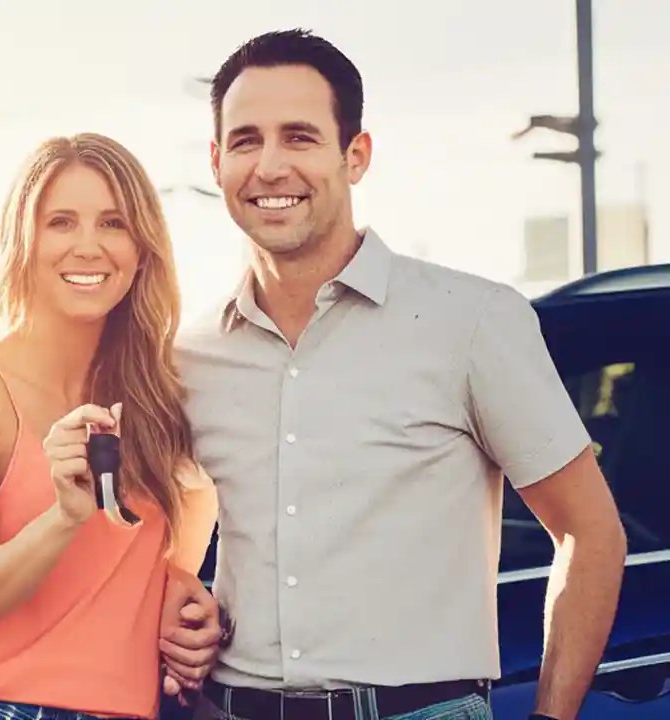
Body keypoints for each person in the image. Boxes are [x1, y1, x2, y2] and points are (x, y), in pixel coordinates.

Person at [160, 29, 628, 720]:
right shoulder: (189, 356)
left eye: (299, 136)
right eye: (246, 139)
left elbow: (591, 532)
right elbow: (178, 543)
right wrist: (177, 603)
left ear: (356, 156)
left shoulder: (470, 320)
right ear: (217, 159)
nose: (270, 166)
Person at [0, 132, 221, 720]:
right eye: (61, 222)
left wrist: (185, 604)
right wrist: (63, 517)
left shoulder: (159, 396)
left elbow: (187, 521)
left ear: (142, 247)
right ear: (23, 241)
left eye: (113, 223)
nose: (87, 247)